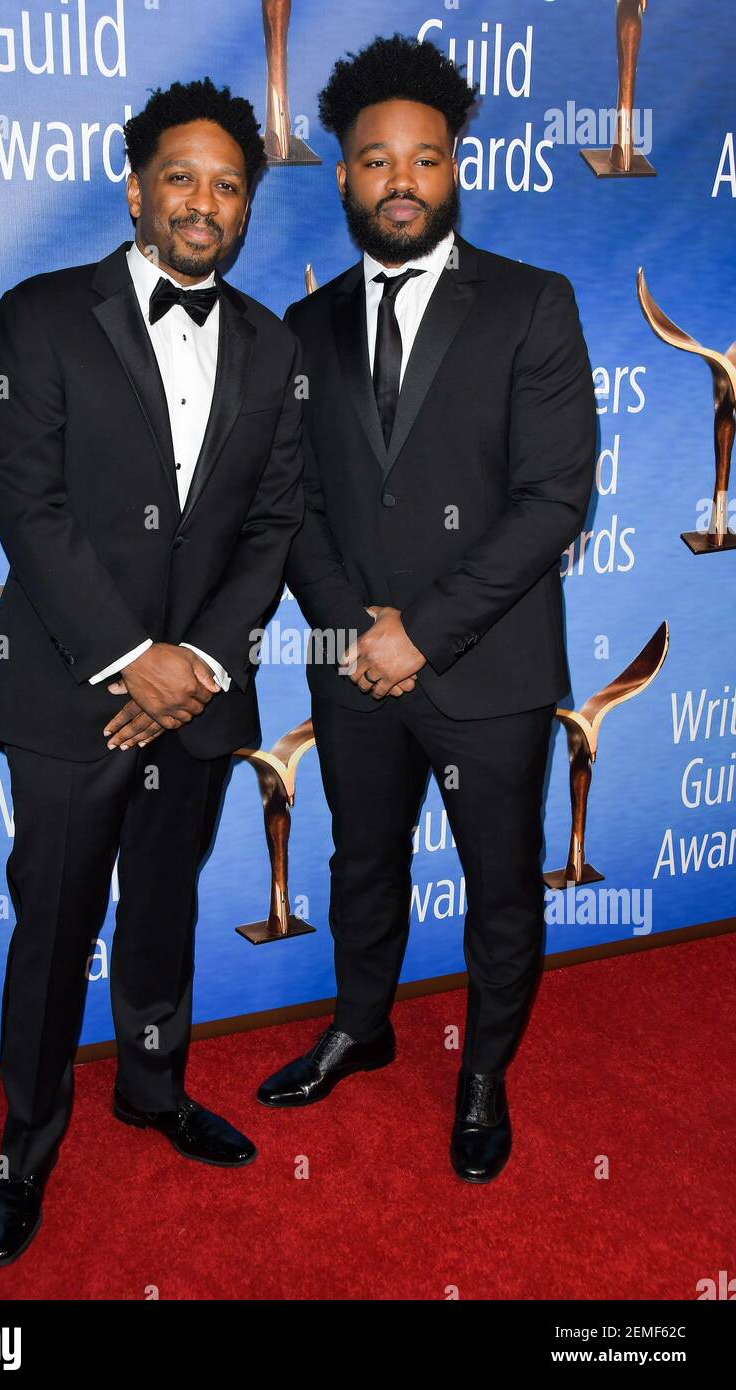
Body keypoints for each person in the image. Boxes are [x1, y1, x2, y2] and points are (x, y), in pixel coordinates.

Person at [257, 35, 598, 1184]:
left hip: (484, 667)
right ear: (343, 176)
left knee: (499, 881)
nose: (398, 179)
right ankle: (362, 1023)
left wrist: (422, 629)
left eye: (424, 158)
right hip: (348, 667)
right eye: (372, 160)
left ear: (455, 169)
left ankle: (483, 1074)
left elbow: (554, 496)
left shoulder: (530, 304)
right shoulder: (298, 335)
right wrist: (357, 632)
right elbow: (289, 508)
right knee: (361, 860)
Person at [0, 77, 303, 1265]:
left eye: (226, 184)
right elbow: (29, 504)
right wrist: (130, 660)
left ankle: (152, 1089)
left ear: (247, 207)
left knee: (162, 911)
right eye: (180, 176)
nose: (202, 201)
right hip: (73, 694)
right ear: (135, 188)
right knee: (54, 928)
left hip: (202, 704)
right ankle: (24, 1145)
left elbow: (271, 525)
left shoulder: (272, 346)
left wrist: (200, 663)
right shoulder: (40, 315)